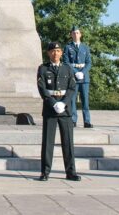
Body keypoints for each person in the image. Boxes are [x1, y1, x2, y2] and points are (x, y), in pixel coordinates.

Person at [37, 41, 79, 181]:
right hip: (50, 109)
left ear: (61, 53)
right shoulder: (43, 68)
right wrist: (53, 103)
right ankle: (45, 172)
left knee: (68, 142)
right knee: (48, 143)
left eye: (58, 51)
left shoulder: (67, 69)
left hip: (65, 110)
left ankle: (70, 171)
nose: (55, 53)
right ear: (48, 53)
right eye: (53, 51)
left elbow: (72, 88)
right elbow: (42, 88)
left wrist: (64, 102)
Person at [63, 26, 92, 128]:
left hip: (84, 78)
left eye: (77, 33)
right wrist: (75, 72)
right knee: (72, 100)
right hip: (73, 77)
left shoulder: (85, 47)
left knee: (85, 100)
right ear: (71, 35)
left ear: (80, 34)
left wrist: (83, 72)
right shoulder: (68, 47)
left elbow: (89, 63)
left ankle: (87, 121)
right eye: (74, 33)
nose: (76, 35)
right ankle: (73, 120)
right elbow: (66, 62)